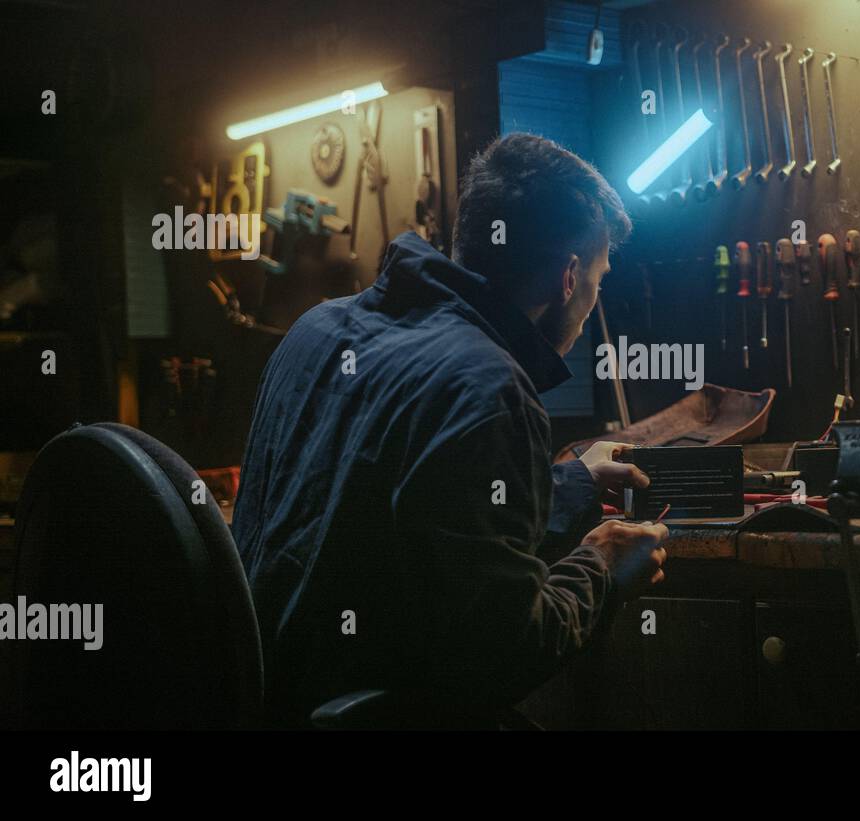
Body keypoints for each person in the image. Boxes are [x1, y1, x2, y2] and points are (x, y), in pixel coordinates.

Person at [233, 133, 668, 728]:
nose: (594, 297)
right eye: (598, 276)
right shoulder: (488, 386)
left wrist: (567, 484)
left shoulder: (316, 331)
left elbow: (406, 512)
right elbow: (502, 654)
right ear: (570, 278)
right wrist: (600, 564)